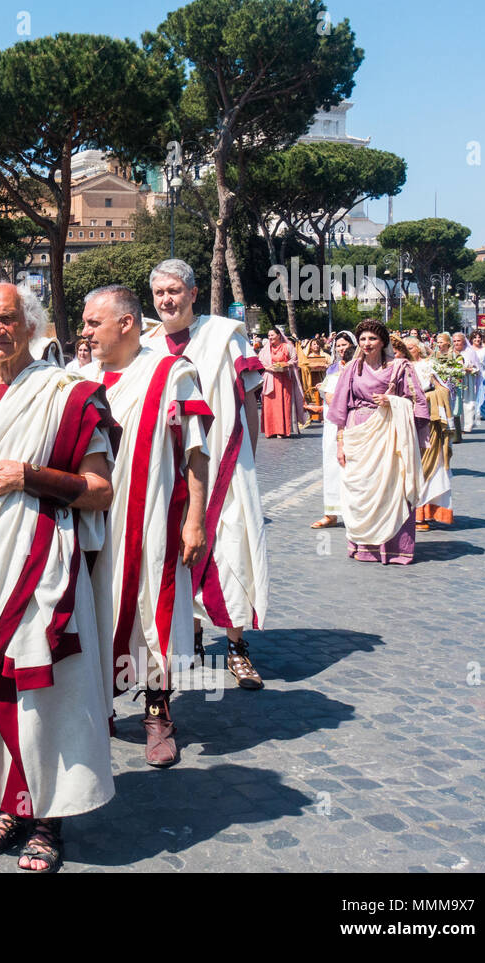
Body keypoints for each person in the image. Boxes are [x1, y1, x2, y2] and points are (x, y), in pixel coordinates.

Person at [0, 282, 116, 873]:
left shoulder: (70, 396)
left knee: (45, 691)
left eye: (7, 319)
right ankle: (7, 807)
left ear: (30, 324)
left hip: (43, 571)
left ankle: (49, 818)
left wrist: (30, 475)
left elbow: (100, 492)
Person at [79, 286, 210, 768]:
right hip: (92, 522)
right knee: (93, 609)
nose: (86, 331)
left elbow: (197, 453)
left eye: (95, 322)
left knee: (153, 610)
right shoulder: (77, 378)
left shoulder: (171, 374)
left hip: (154, 517)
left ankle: (157, 712)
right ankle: (98, 706)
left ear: (127, 323)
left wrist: (195, 519)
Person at [143, 259, 268, 689]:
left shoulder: (223, 337)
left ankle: (235, 646)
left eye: (174, 291)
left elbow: (249, 401)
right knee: (176, 557)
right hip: (169, 475)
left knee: (231, 551)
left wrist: (245, 458)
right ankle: (190, 640)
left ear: (193, 294)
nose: (166, 300)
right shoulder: (147, 346)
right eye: (160, 293)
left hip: (225, 465)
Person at [326, 319, 429, 564]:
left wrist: (393, 401)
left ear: (383, 341)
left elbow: (418, 402)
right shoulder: (352, 368)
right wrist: (340, 443)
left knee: (391, 487)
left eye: (372, 338)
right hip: (357, 433)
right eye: (362, 339)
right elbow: (340, 406)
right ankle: (364, 547)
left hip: (390, 434)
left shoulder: (400, 367)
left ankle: (395, 548)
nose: (367, 343)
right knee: (362, 489)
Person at [404, 336, 454, 530]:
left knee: (427, 464)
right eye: (405, 348)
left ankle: (424, 511)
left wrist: (428, 397)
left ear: (418, 349)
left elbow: (443, 389)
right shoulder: (397, 366)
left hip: (428, 420)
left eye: (411, 348)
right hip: (406, 419)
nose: (408, 351)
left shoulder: (427, 366)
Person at [311, 331, 357, 529]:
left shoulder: (359, 367)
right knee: (331, 464)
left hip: (351, 421)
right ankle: (331, 512)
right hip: (332, 423)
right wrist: (324, 390)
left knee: (352, 466)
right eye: (338, 345)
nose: (341, 348)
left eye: (345, 344)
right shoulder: (332, 369)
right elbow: (328, 393)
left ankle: (354, 512)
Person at [258, 326, 306, 438]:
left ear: (279, 335)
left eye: (272, 335)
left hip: (284, 379)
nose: (270, 337)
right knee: (270, 405)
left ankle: (282, 430)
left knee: (283, 404)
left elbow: (294, 360)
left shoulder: (287, 347)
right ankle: (270, 430)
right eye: (269, 335)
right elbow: (259, 362)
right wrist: (269, 368)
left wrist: (285, 365)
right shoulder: (266, 349)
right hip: (270, 379)